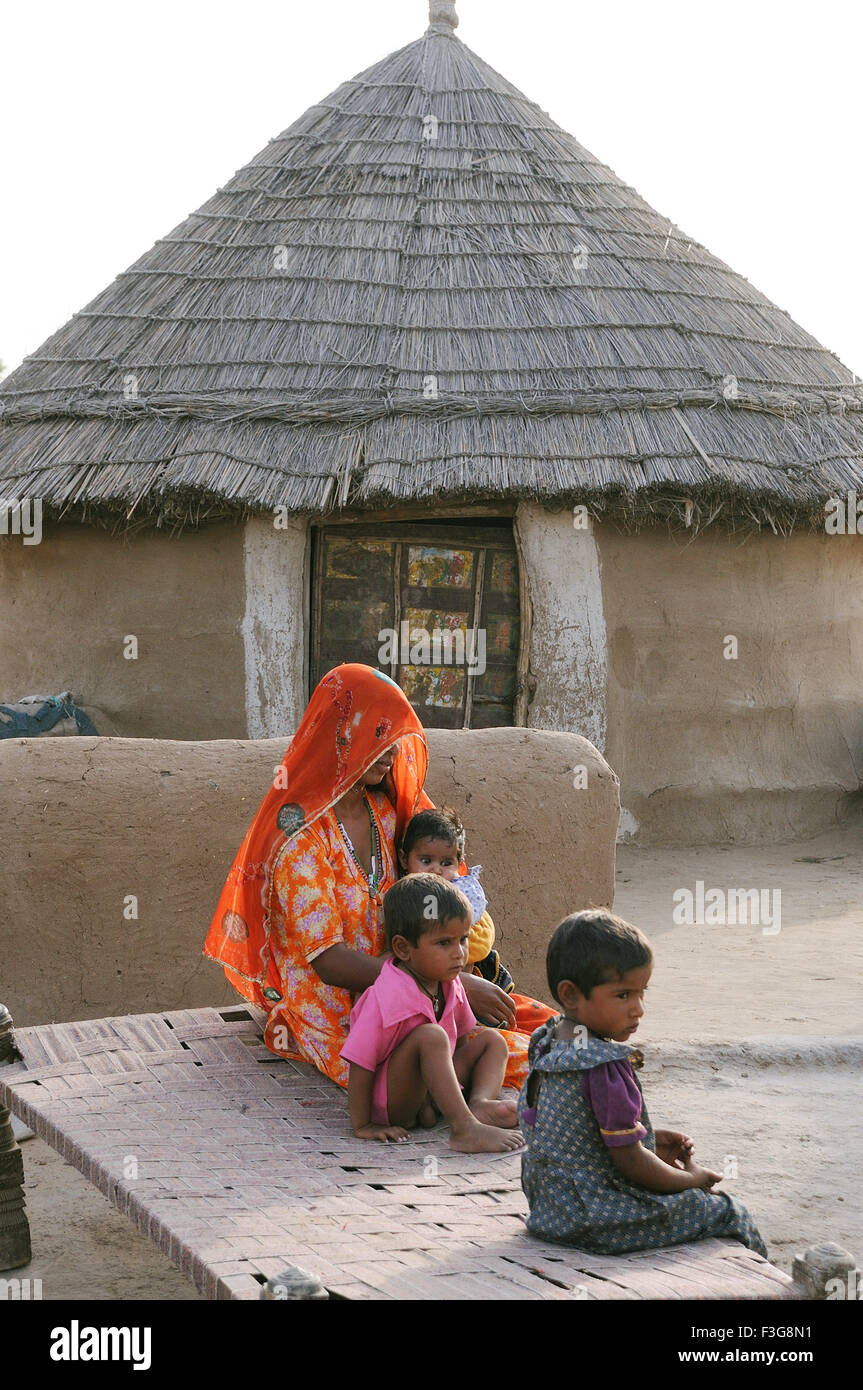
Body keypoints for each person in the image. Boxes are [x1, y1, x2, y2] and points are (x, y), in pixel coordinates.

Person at [203, 662, 553, 1091]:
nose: (391, 753)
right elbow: (329, 963)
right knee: (533, 1060)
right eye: (379, 734)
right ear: (341, 732)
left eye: (393, 739)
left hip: (412, 989)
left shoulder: (385, 815)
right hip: (343, 1014)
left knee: (555, 1031)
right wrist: (445, 983)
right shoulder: (302, 838)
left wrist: (450, 979)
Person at [518, 909, 768, 1256]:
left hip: (550, 1209)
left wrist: (647, 1137)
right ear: (571, 994)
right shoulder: (603, 1065)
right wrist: (691, 1180)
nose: (638, 1009)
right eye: (623, 995)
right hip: (596, 1220)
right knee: (728, 1211)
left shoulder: (546, 1041)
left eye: (642, 992)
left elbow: (576, 1131)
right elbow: (630, 1161)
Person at [340, 874, 523, 1152]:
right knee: (432, 1036)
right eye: (443, 943)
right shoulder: (385, 994)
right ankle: (464, 1129)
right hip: (395, 1102)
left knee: (491, 1041)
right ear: (403, 948)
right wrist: (362, 1124)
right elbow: (360, 1062)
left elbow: (459, 1040)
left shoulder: (450, 984)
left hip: (429, 1091)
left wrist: (453, 1089)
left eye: (462, 940)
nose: (459, 953)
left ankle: (477, 1105)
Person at [399, 806, 518, 1020]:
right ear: (404, 859)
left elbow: (473, 933)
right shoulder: (403, 895)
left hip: (473, 973)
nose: (436, 870)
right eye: (426, 861)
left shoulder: (461, 891)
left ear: (459, 864)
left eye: (446, 863)